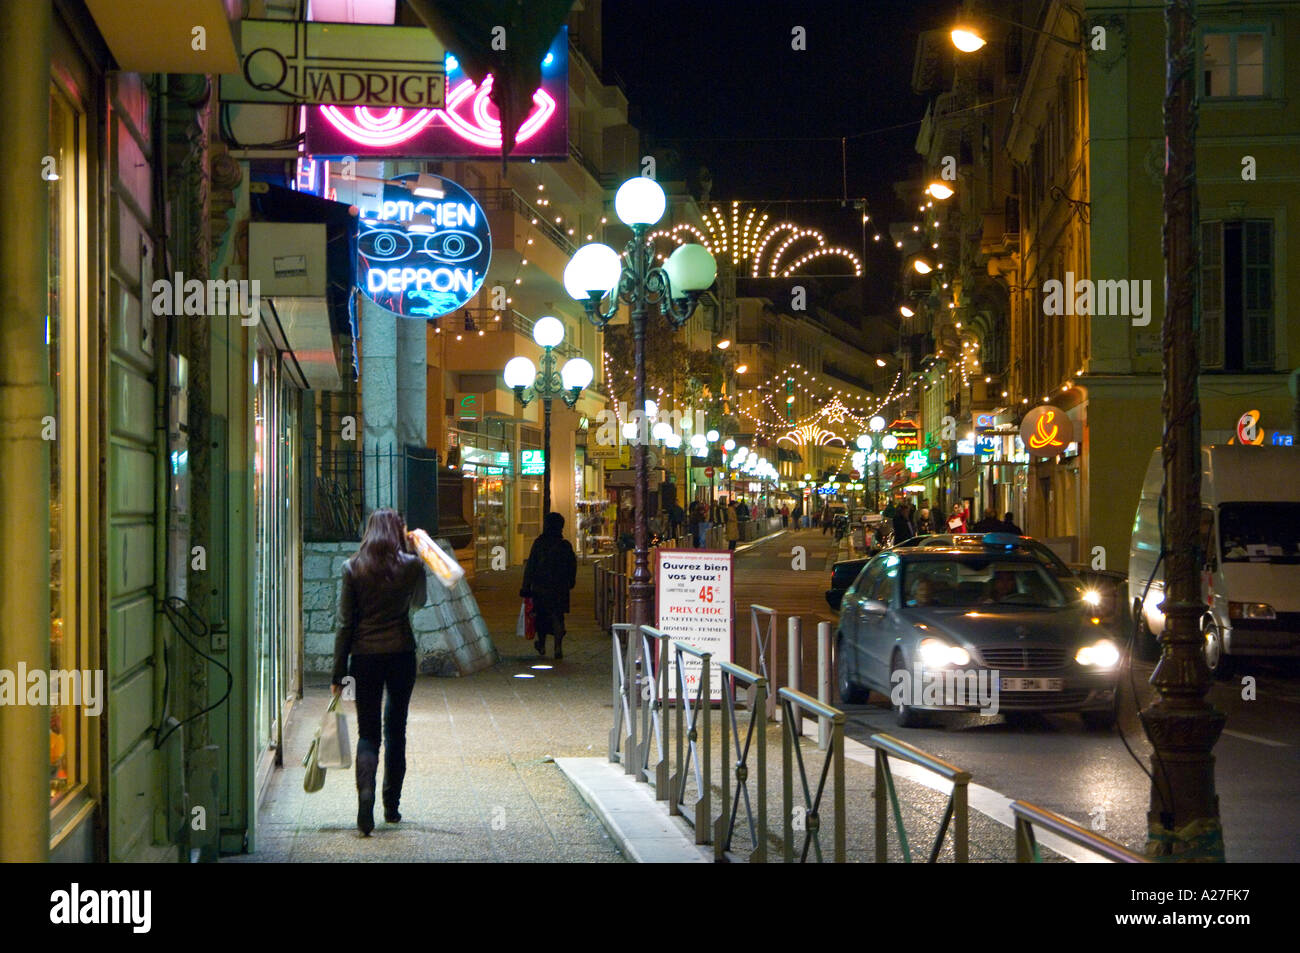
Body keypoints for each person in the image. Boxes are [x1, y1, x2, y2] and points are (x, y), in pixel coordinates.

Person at [332, 508, 427, 835]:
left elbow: (345, 624)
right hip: (401, 654)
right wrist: (415, 559)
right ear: (397, 532)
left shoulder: (352, 567)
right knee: (396, 729)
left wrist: (337, 674)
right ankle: (392, 805)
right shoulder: (411, 566)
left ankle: (365, 796)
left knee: (368, 733)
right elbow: (420, 602)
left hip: (364, 657)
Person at [521, 511, 578, 661]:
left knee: (541, 615)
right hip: (560, 586)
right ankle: (558, 647)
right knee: (558, 616)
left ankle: (542, 644)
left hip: (541, 585)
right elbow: (572, 565)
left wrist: (526, 586)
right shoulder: (565, 545)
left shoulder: (540, 544)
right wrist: (571, 581)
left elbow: (531, 566)